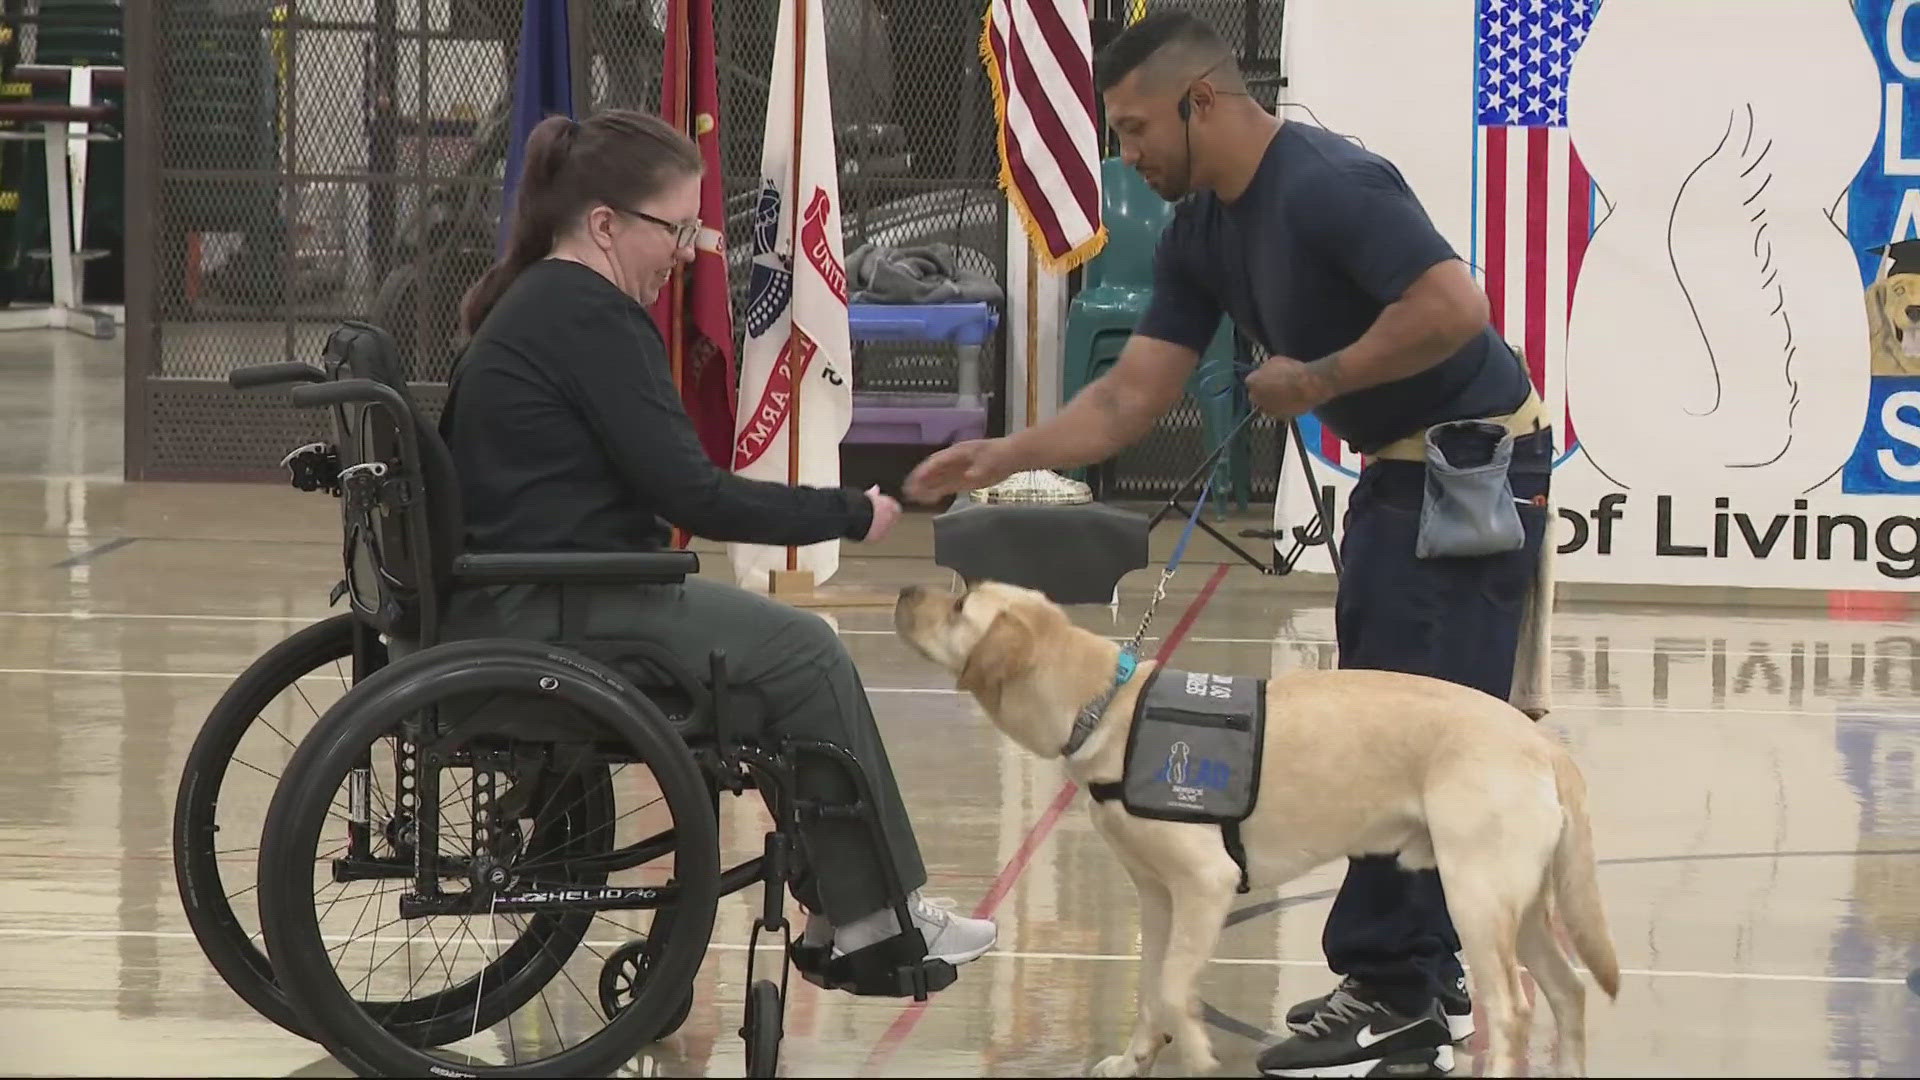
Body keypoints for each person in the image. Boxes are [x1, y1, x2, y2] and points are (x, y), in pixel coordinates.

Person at [905, 13, 1551, 1077]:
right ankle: (1414, 978)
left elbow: (1454, 307)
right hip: (1398, 472)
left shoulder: (1332, 184)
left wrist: (1320, 377)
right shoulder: (1200, 230)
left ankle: (1398, 992)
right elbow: (1130, 395)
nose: (1127, 155)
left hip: (1464, 472)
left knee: (1404, 730)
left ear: (1202, 99)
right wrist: (1003, 454)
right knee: (1381, 712)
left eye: (1134, 128)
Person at [439, 108, 996, 972]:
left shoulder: (539, 302)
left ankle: (844, 905)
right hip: (555, 607)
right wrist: (843, 512)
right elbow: (691, 493)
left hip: (535, 591)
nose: (688, 252)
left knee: (774, 650)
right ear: (604, 225)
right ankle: (877, 917)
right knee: (807, 654)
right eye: (676, 230)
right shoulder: (588, 317)